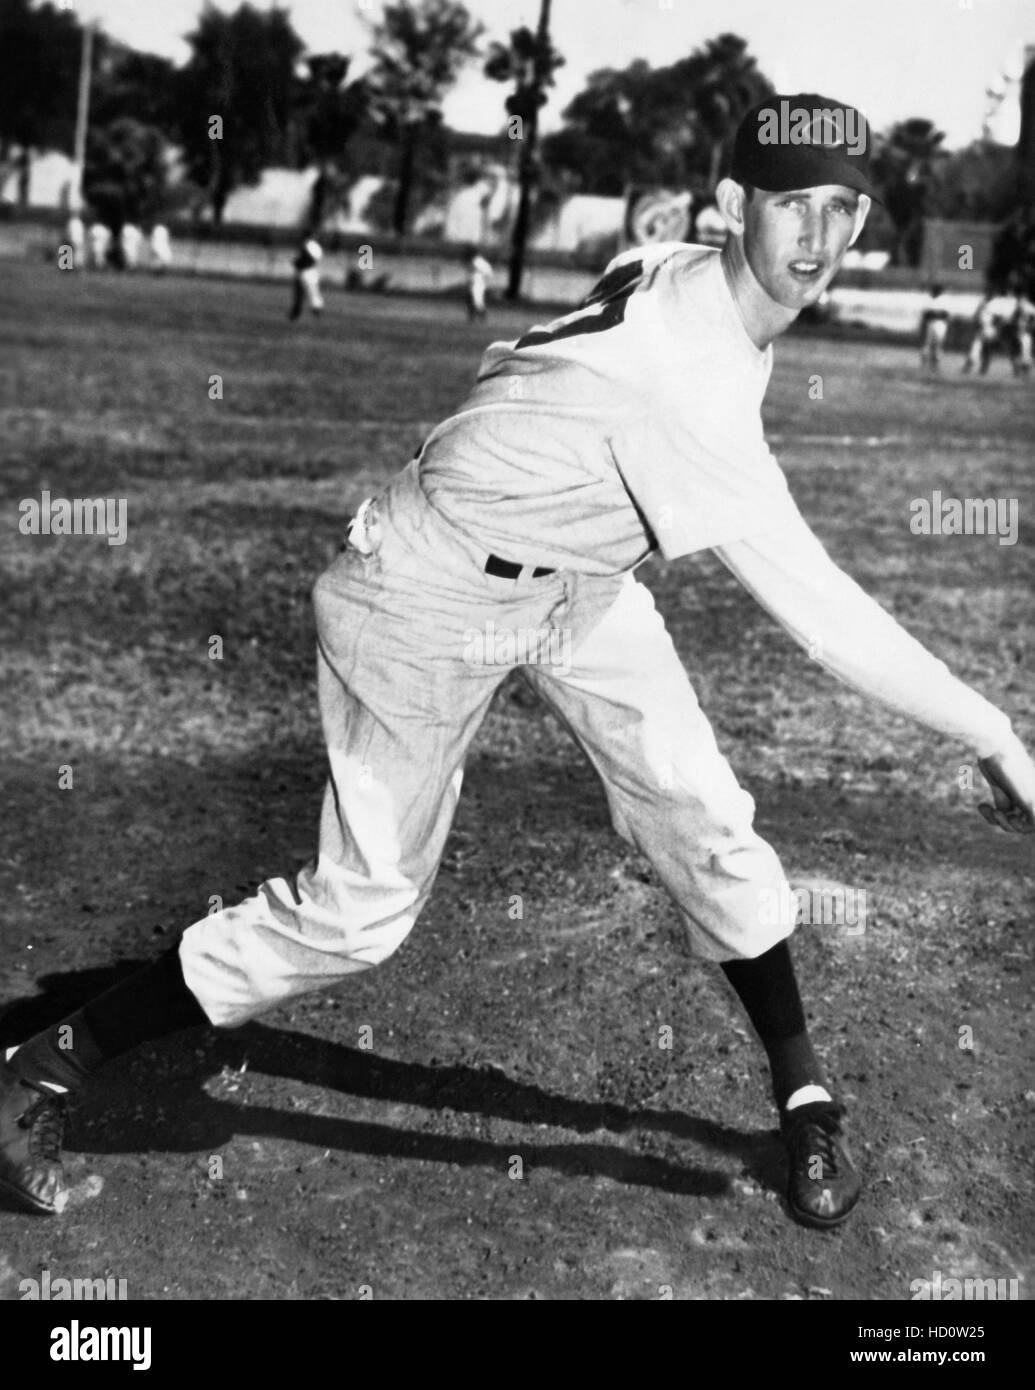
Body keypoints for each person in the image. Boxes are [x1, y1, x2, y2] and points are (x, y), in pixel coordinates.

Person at [4, 93, 1034, 1232]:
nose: (819, 238)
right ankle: (46, 1065)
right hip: (421, 584)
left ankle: (804, 1095)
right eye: (792, 205)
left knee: (701, 809)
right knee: (361, 913)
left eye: (842, 207)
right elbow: (825, 621)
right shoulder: (683, 370)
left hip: (573, 580)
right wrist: (991, 733)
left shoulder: (692, 268)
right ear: (734, 204)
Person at [289, 234, 324, 321]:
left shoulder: (309, 246)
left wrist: (297, 262)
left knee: (303, 293)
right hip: (310, 272)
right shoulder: (315, 247)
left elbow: (306, 260)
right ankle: (315, 311)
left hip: (306, 272)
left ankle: (297, 312)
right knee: (312, 293)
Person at [918, 282, 950, 370]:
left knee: (938, 345)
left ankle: (935, 365)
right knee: (926, 344)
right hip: (929, 324)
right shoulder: (928, 300)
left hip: (940, 325)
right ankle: (924, 364)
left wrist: (934, 313)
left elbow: (946, 315)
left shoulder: (944, 300)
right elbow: (925, 314)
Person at [465, 248, 494, 320]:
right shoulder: (483, 263)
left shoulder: (476, 262)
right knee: (475, 299)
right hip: (478, 283)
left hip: (477, 283)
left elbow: (487, 273)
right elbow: (490, 274)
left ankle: (480, 315)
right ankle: (475, 316)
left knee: (476, 299)